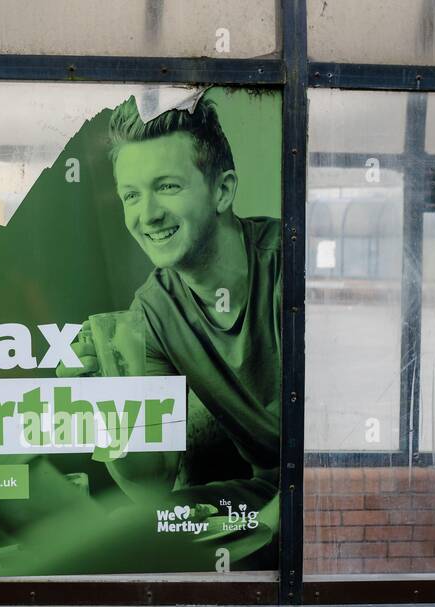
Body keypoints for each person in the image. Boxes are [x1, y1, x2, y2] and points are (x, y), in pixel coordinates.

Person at [66, 94, 281, 521]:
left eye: (167, 187)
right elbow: (150, 486)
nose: (147, 215)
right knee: (127, 527)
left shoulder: (288, 268)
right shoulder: (150, 313)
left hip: (326, 495)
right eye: (131, 196)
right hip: (260, 498)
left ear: (221, 190)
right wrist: (106, 400)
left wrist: (279, 525)